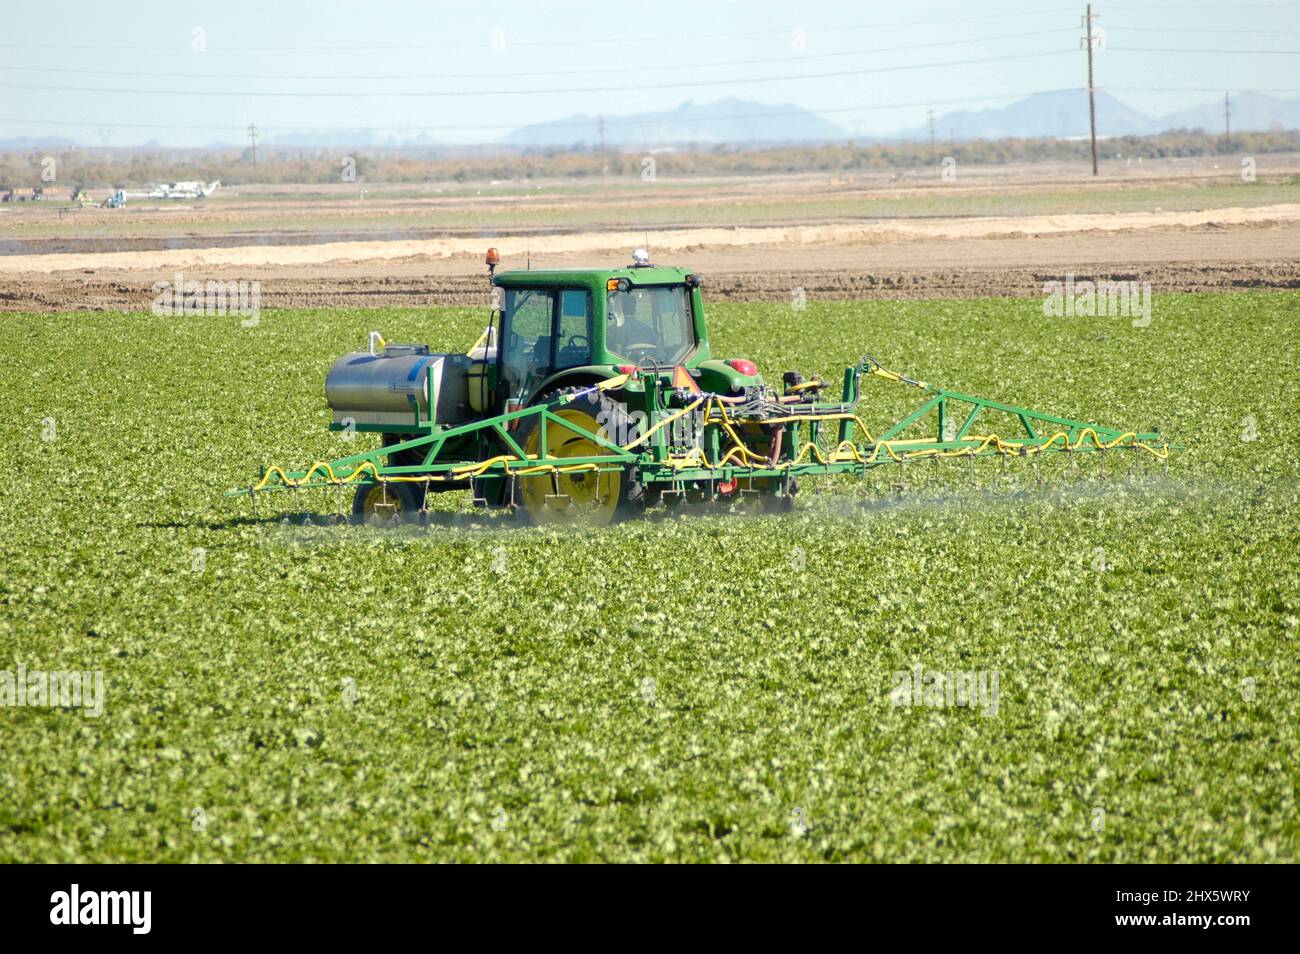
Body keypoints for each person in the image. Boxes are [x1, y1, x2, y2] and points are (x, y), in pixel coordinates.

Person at [607, 291, 657, 357]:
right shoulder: (648, 330)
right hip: (650, 365)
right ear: (634, 309)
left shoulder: (611, 332)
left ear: (621, 309)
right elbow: (659, 352)